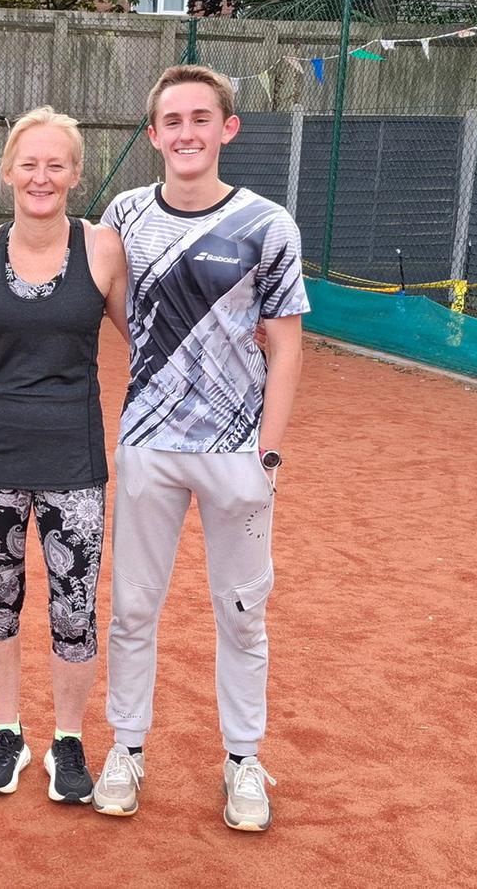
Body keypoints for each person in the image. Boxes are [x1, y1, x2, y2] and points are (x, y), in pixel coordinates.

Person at [88, 65, 307, 831]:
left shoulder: (268, 225)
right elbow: (111, 301)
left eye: (200, 119)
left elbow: (287, 348)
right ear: (154, 135)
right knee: (133, 607)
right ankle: (127, 749)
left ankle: (243, 759)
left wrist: (266, 456)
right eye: (171, 121)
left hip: (235, 453)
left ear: (227, 129)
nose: (186, 133)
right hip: (147, 444)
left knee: (243, 611)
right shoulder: (122, 213)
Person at [0, 107, 128, 805]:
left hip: (73, 456)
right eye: (29, 163)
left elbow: (144, 339)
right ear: (7, 171)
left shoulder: (104, 247)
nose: (41, 176)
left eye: (56, 164)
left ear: (75, 174)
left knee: (75, 606)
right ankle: (7, 730)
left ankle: (68, 739)